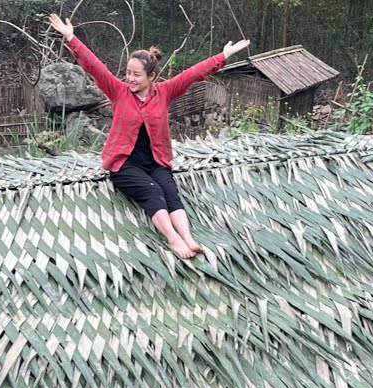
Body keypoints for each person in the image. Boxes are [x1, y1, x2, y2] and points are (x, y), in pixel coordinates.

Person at [49, 13, 250, 259]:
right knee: (154, 192)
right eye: (128, 72)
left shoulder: (164, 92)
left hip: (155, 160)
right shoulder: (119, 92)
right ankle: (174, 240)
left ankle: (188, 238)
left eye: (136, 75)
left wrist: (223, 56)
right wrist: (71, 38)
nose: (130, 78)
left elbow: (194, 74)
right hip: (125, 164)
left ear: (151, 77)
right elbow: (94, 66)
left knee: (170, 191)